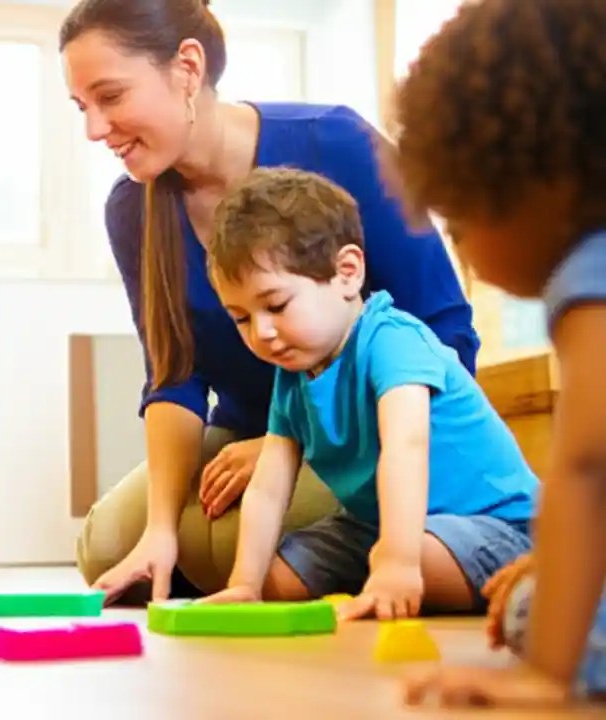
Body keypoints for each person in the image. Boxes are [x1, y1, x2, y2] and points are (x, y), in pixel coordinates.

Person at [59, 0, 480, 602]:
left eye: (111, 97)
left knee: (236, 547)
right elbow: (173, 378)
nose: (95, 130)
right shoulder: (132, 209)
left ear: (186, 67)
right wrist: (158, 531)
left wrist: (295, 447)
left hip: (373, 428)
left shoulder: (338, 143)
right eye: (83, 108)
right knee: (111, 546)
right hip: (251, 431)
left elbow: (447, 334)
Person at [387, 0, 606, 708]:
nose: (463, 252)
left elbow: (588, 465)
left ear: (533, 182)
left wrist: (545, 670)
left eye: (459, 220)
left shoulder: (589, 273)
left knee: (533, 615)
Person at [199, 167, 537, 619]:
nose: (262, 332)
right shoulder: (293, 374)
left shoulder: (392, 339)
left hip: (497, 527)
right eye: (241, 318)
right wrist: (245, 582)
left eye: (277, 305)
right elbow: (268, 485)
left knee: (419, 559)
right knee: (276, 583)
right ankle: (387, 570)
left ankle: (415, 573)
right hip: (375, 527)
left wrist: (398, 562)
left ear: (347, 272)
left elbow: (406, 446)